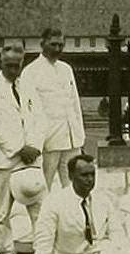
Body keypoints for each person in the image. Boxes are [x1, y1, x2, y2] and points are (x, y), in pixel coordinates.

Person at [0, 43, 47, 254]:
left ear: (22, 64)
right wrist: (19, 149)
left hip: (30, 160)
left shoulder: (28, 88)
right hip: (2, 160)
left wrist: (34, 147)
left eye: (16, 65)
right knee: (2, 213)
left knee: (40, 210)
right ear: (0, 63)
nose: (12, 70)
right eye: (8, 65)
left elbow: (40, 119)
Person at [20, 28, 85, 189]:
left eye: (61, 45)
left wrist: (80, 135)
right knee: (43, 187)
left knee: (74, 187)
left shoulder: (66, 69)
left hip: (71, 140)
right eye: (53, 44)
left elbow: (74, 104)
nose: (57, 49)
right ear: (42, 44)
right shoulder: (31, 72)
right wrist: (33, 142)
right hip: (48, 141)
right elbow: (28, 110)